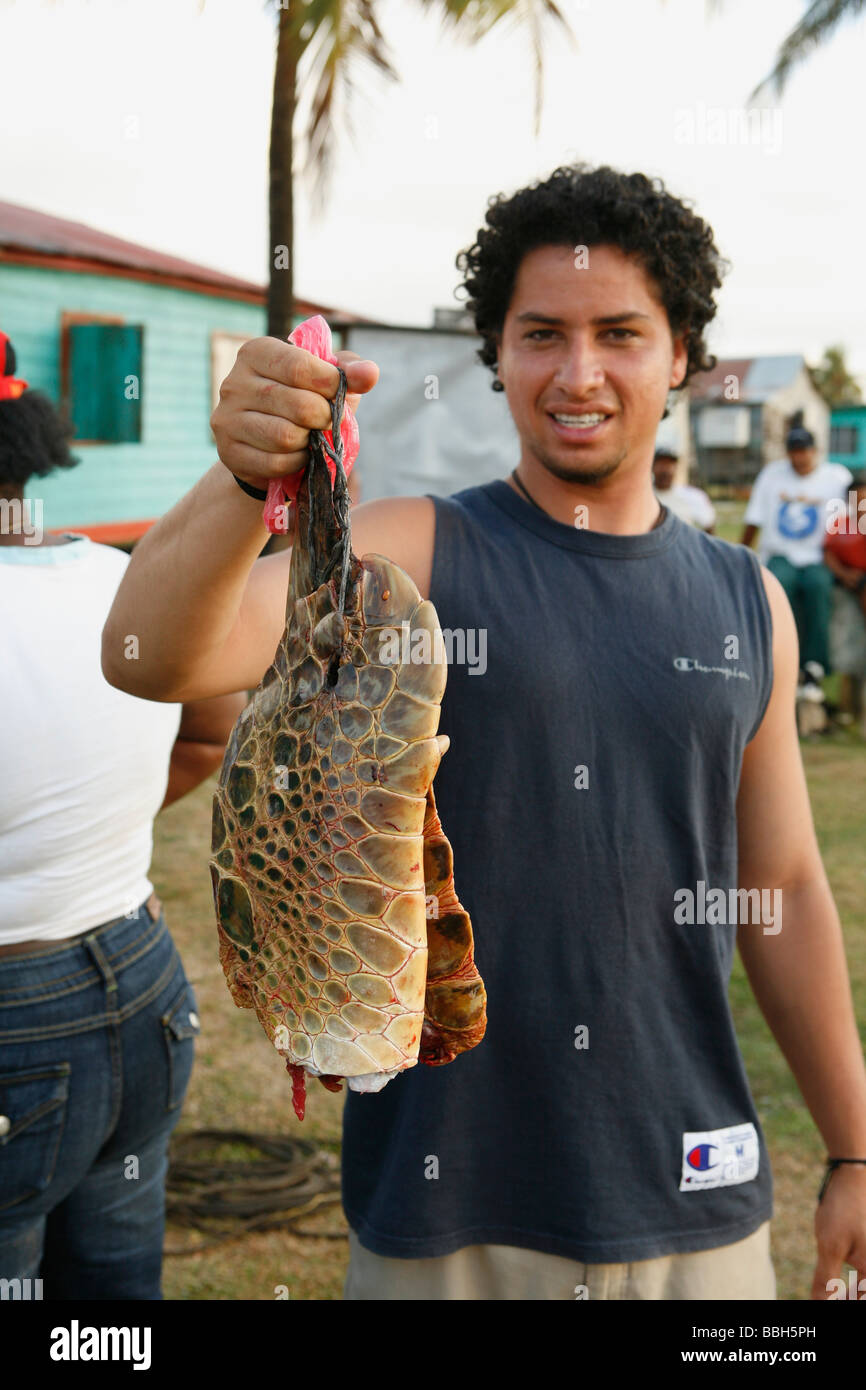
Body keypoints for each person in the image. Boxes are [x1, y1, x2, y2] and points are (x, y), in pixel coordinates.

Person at [103, 164, 866, 1302]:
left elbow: (786, 884)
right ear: (496, 354)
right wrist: (237, 477)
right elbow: (151, 656)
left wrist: (850, 1147)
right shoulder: (413, 555)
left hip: (696, 1199)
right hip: (444, 1210)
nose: (577, 373)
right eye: (539, 334)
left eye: (619, 333)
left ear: (682, 355)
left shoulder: (746, 600)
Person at [0, 337, 246, 1299]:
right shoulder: (121, 581)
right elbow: (206, 737)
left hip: (16, 1016)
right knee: (113, 1294)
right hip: (140, 978)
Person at [741, 427, 852, 699]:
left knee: (818, 588)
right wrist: (740, 557)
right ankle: (776, 663)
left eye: (804, 451)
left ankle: (814, 667)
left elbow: (853, 521)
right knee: (779, 589)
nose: (800, 458)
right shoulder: (772, 475)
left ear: (815, 451)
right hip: (781, 552)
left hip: (818, 554)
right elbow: (754, 518)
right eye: (794, 451)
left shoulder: (836, 477)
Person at [823, 472, 866, 726]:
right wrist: (846, 575)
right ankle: (846, 708)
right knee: (847, 650)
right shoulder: (840, 524)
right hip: (846, 588)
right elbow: (829, 554)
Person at [652, 445, 715, 531]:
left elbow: (709, 528)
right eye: (661, 464)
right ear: (652, 466)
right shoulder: (642, 497)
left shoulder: (693, 496)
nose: (665, 470)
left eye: (669, 464)